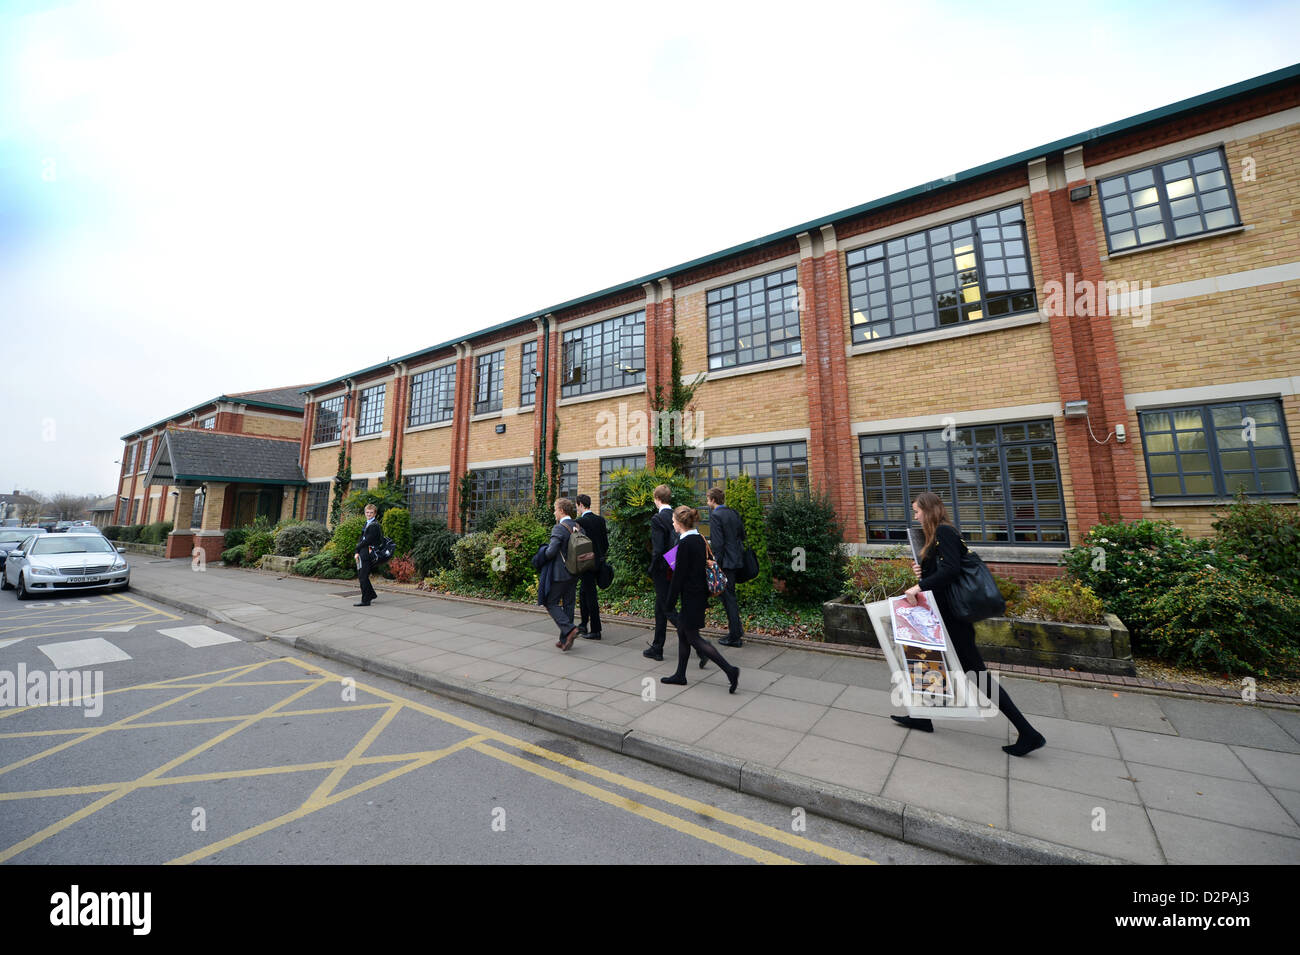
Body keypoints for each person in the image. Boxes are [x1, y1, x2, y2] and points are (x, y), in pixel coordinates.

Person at [893, 492, 1046, 758]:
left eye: (917, 510)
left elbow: (952, 571)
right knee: (930, 663)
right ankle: (922, 717)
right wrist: (924, 572)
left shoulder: (945, 532)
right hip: (942, 617)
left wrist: (919, 585)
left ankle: (1028, 733)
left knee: (976, 673)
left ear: (928, 511)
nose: (915, 515)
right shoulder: (937, 535)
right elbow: (944, 573)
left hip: (954, 620)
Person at [660, 506, 739, 692]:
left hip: (691, 598)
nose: (672, 523)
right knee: (682, 634)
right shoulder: (698, 539)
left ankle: (730, 670)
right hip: (697, 595)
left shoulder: (686, 544)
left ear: (680, 524)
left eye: (673, 521)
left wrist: (668, 603)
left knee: (694, 638)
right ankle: (680, 674)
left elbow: (679, 576)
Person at [533, 498, 581, 652]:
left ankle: (570, 629)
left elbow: (551, 551)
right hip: (575, 572)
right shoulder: (578, 526)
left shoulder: (559, 528)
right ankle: (565, 639)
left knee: (550, 602)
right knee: (568, 604)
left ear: (561, 510)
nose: (554, 513)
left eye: (555, 510)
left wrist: (543, 554)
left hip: (560, 573)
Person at [643, 485, 679, 661]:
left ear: (656, 498)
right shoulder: (676, 516)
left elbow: (657, 549)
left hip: (662, 570)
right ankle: (657, 647)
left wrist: (652, 568)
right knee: (660, 609)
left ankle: (699, 645)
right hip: (675, 566)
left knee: (668, 609)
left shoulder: (658, 519)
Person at [705, 487, 745, 648]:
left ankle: (735, 636)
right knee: (730, 596)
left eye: (708, 499)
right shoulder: (733, 513)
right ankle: (737, 630)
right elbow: (742, 535)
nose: (707, 502)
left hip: (725, 563)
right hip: (736, 560)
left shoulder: (716, 516)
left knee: (728, 599)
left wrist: (715, 564)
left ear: (713, 500)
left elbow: (718, 543)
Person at [575, 494, 608, 640]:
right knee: (583, 593)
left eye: (577, 505)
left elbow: (577, 543)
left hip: (586, 563)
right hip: (599, 562)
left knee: (590, 596)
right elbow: (605, 543)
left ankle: (596, 630)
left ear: (581, 504)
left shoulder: (580, 522)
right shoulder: (600, 520)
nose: (576, 508)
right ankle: (583, 624)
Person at [354, 503, 381, 607]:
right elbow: (362, 539)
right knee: (363, 576)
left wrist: (357, 548)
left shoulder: (374, 525)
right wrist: (357, 552)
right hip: (363, 553)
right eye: (367, 512)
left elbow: (367, 541)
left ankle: (366, 600)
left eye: (371, 512)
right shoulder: (367, 523)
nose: (368, 514)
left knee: (363, 577)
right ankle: (372, 594)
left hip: (367, 554)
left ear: (375, 514)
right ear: (365, 513)